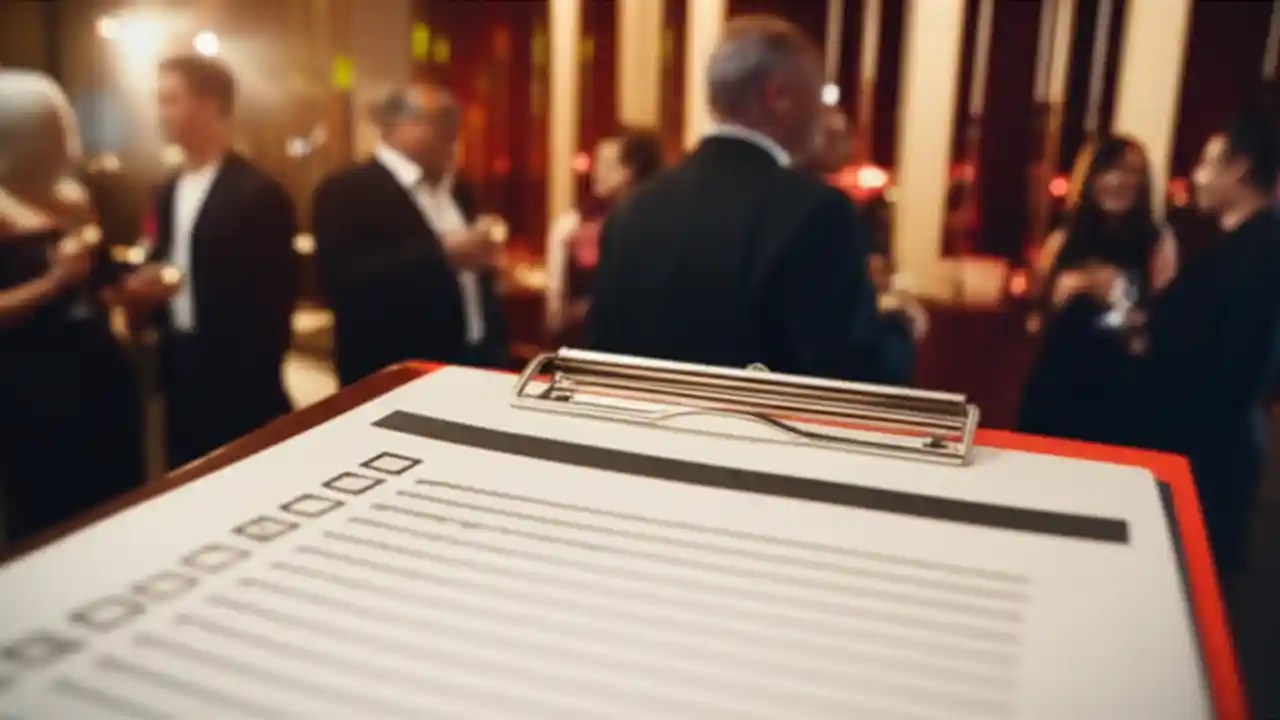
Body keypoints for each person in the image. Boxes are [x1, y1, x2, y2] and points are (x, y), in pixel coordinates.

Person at [588, 16, 906, 381]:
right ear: (779, 96)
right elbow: (850, 373)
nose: (824, 115)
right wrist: (901, 329)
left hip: (637, 435)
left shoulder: (635, 207)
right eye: (818, 96)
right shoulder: (817, 212)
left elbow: (602, 357)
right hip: (759, 436)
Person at [120, 55, 297, 468]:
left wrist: (253, 370)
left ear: (210, 103)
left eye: (170, 101)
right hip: (180, 369)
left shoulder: (257, 193)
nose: (161, 114)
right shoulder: (167, 190)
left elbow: (274, 302)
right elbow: (164, 258)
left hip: (240, 378)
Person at [1135, 106, 1280, 575]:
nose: (1195, 176)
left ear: (1238, 167)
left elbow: (1236, 364)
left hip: (1210, 452)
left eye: (1205, 163)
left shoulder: (1259, 251)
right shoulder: (1240, 246)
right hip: (1209, 444)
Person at [0, 69, 141, 541]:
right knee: (55, 518)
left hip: (98, 375)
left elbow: (96, 280)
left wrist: (124, 295)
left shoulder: (72, 197)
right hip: (34, 389)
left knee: (118, 508)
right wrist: (54, 282)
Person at [315, 84, 508, 385]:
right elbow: (342, 283)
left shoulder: (459, 189)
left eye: (455, 121)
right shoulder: (349, 190)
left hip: (471, 364)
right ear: (395, 126)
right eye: (440, 119)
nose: (451, 132)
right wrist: (441, 255)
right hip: (394, 375)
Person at [1019, 136, 1178, 443]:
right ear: (1091, 177)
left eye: (1133, 172)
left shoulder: (1157, 241)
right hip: (1059, 383)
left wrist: (1119, 300)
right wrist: (1067, 290)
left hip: (1120, 387)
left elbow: (1163, 325)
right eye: (1111, 170)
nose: (1121, 181)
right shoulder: (1063, 239)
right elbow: (1036, 318)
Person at [545, 129, 663, 342]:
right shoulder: (574, 224)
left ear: (631, 170)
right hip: (581, 337)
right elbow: (556, 300)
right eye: (597, 163)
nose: (598, 173)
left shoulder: (650, 223)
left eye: (609, 165)